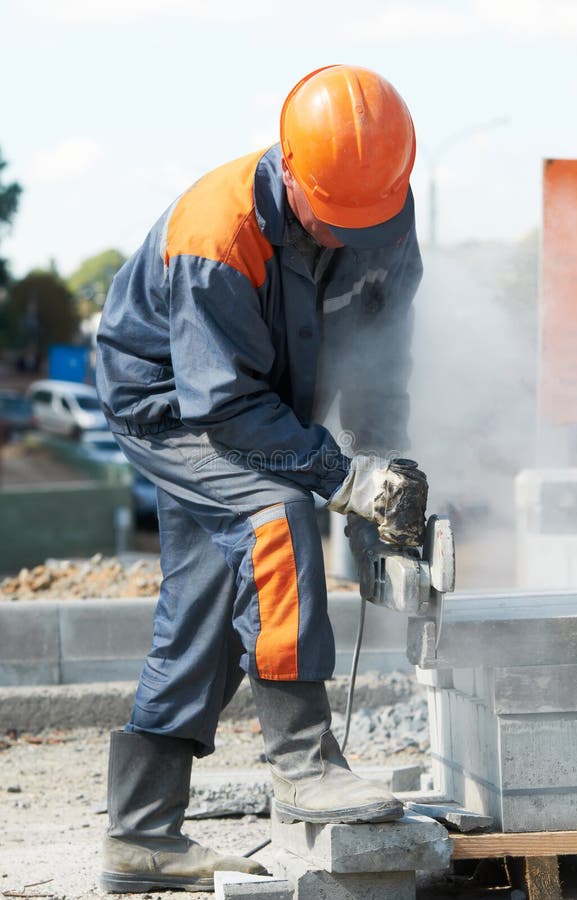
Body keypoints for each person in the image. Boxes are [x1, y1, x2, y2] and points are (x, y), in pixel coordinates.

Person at [95, 64, 424, 894]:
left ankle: (141, 837)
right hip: (172, 405)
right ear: (290, 166)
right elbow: (227, 409)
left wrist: (381, 476)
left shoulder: (380, 203)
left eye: (370, 218)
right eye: (335, 218)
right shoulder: (219, 232)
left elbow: (382, 357)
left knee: (206, 598)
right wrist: (339, 480)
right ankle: (305, 763)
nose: (354, 234)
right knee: (275, 518)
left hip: (258, 399)